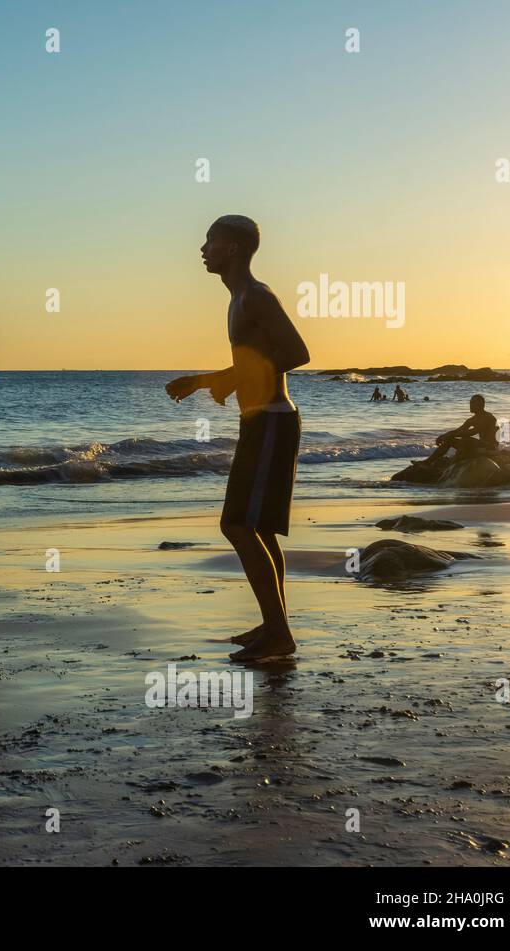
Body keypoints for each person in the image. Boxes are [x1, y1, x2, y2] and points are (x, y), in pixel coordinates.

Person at [165, 217, 310, 662]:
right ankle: (273, 625)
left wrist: (216, 377)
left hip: (272, 421)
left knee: (237, 525)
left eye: (210, 241)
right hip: (260, 421)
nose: (202, 248)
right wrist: (219, 380)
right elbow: (262, 357)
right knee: (259, 528)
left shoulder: (256, 296)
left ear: (231, 248)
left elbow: (296, 353)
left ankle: (280, 633)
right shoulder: (239, 298)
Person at [418, 394, 498, 466]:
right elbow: (458, 430)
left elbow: (471, 432)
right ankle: (427, 462)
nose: (470, 405)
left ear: (481, 405)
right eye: (470, 403)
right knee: (449, 440)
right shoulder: (471, 420)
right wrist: (443, 436)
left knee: (465, 440)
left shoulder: (488, 417)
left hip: (489, 447)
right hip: (478, 446)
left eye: (473, 403)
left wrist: (451, 435)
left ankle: (454, 464)